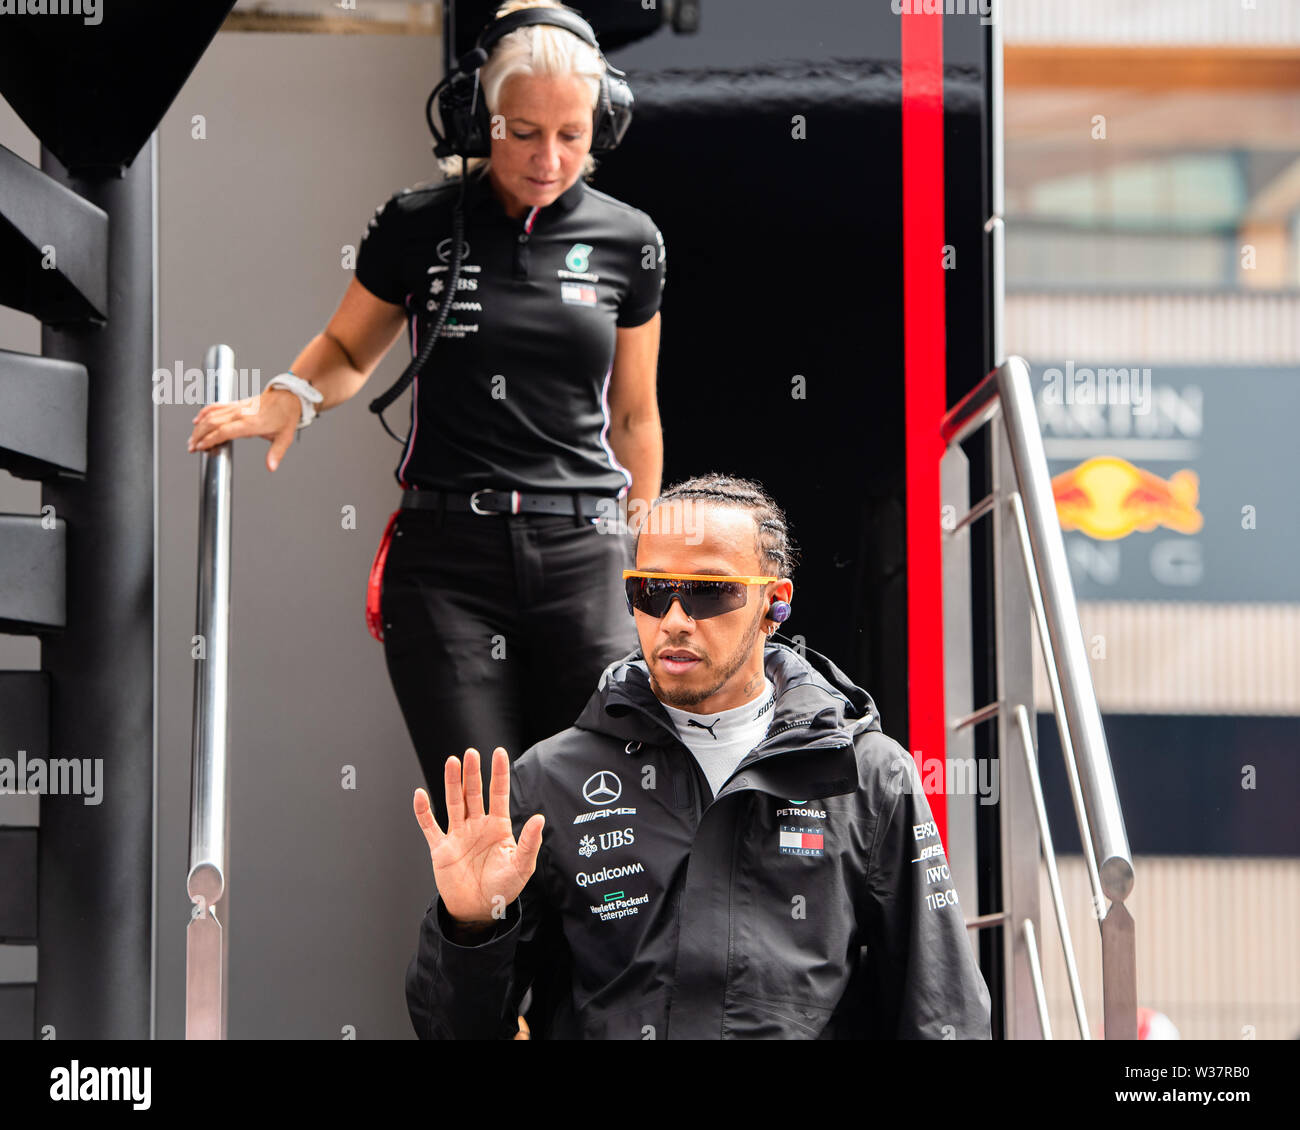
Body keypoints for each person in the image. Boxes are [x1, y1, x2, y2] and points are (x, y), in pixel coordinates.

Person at [185, 0, 666, 821]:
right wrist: (288, 398)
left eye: (572, 136)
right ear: (481, 117)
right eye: (523, 132)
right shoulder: (416, 224)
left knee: (601, 825)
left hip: (585, 557)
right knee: (486, 825)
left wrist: (644, 557)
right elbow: (345, 352)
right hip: (448, 569)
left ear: (602, 128)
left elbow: (634, 419)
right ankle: (489, 954)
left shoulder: (631, 240)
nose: (548, 159)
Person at [405, 472, 993, 1039]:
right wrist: (472, 927)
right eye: (652, 591)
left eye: (710, 591)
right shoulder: (550, 778)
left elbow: (943, 1010)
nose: (675, 620)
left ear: (775, 603)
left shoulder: (866, 775)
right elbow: (454, 1031)